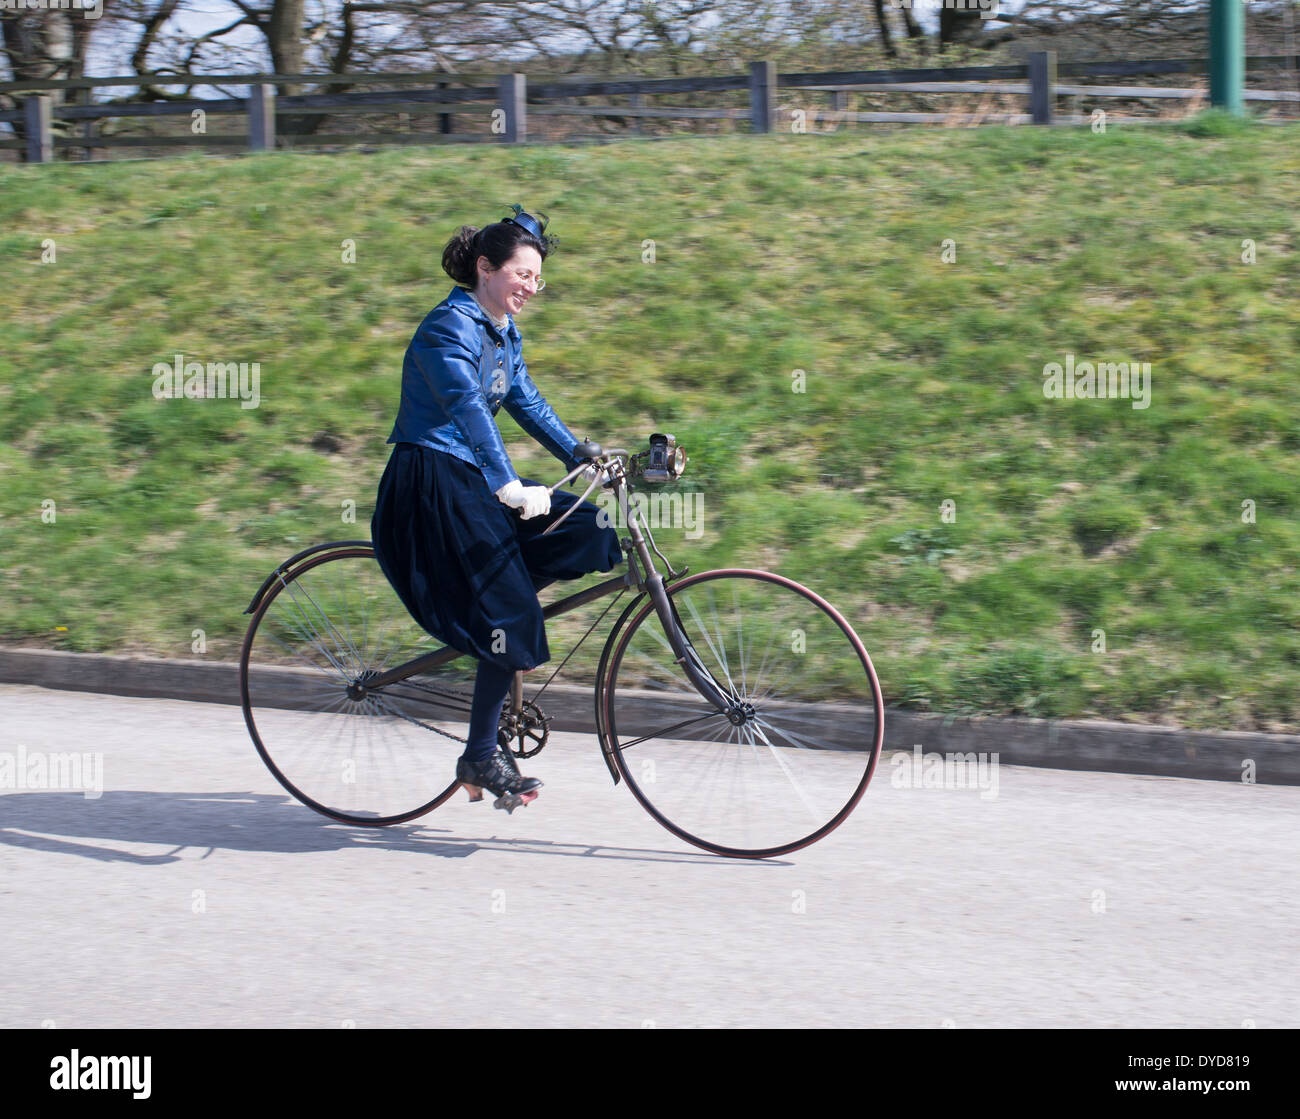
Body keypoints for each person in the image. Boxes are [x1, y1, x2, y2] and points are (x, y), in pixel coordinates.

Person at [370, 206, 622, 807]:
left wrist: (580, 457)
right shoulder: (447, 329)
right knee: (507, 607)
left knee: (588, 528)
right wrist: (508, 483)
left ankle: (489, 611)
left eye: (537, 279)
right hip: (431, 480)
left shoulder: (501, 329)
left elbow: (523, 399)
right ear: (484, 268)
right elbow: (467, 408)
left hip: (472, 478)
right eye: (523, 276)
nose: (531, 289)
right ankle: (480, 753)